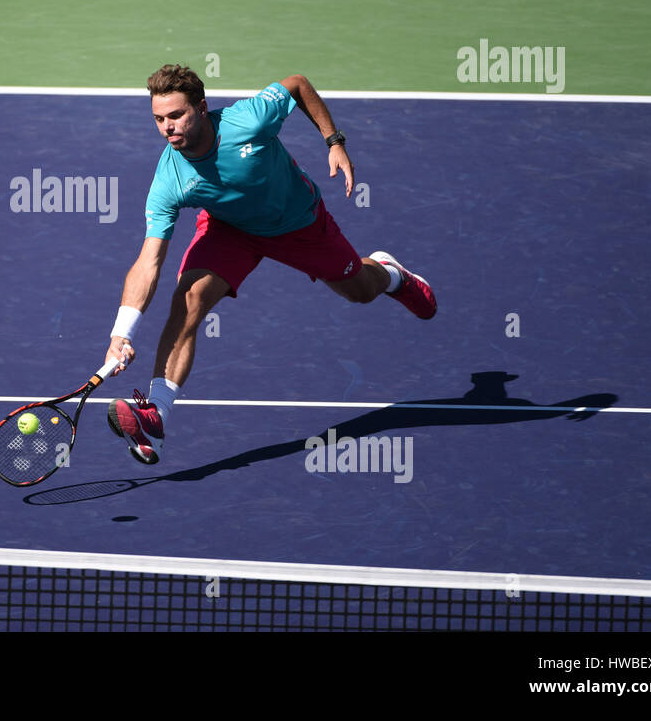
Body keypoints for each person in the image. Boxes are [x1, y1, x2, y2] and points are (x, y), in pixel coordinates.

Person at [104, 64, 436, 465]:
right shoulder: (169, 180)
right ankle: (156, 416)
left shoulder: (249, 120)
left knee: (361, 291)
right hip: (230, 229)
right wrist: (121, 333)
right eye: (159, 119)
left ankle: (391, 274)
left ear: (202, 107)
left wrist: (333, 140)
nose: (167, 128)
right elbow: (148, 261)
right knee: (188, 299)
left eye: (176, 115)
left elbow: (297, 83)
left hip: (298, 223)